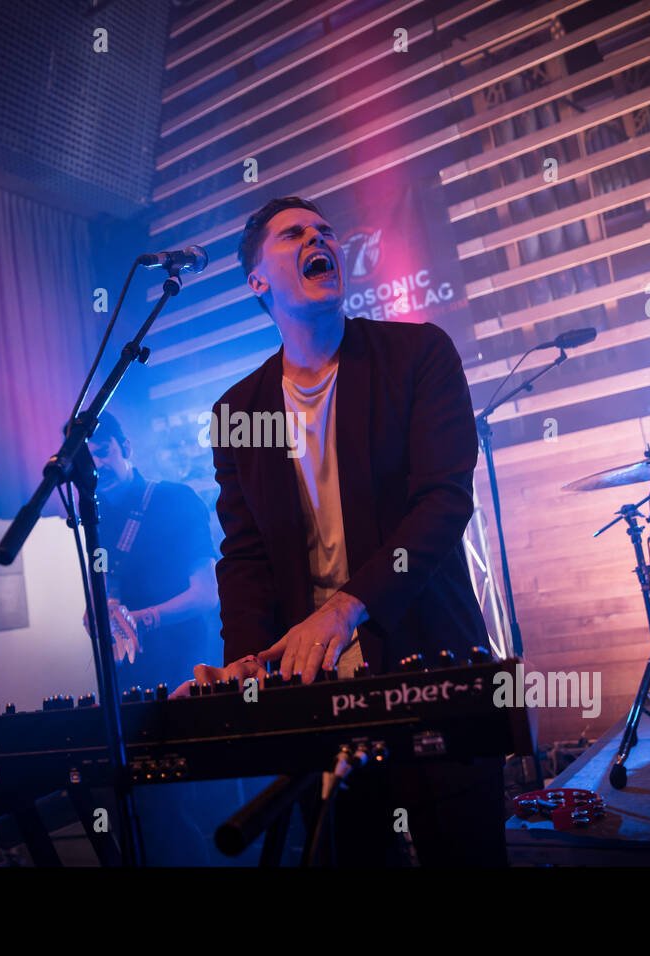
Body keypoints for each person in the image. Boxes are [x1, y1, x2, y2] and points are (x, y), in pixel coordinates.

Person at [178, 196, 503, 866]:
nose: (317, 237)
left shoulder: (415, 354)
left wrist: (345, 611)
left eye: (323, 231)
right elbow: (244, 556)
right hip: (317, 690)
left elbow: (443, 501)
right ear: (258, 281)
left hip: (429, 659)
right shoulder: (238, 411)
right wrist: (246, 659)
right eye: (293, 233)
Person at [87, 411, 220, 693]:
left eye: (103, 452)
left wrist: (143, 619)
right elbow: (103, 579)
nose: (97, 466)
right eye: (87, 460)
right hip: (125, 676)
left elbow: (207, 595)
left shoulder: (176, 499)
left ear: (125, 447)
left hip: (184, 669)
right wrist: (98, 609)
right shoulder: (94, 519)